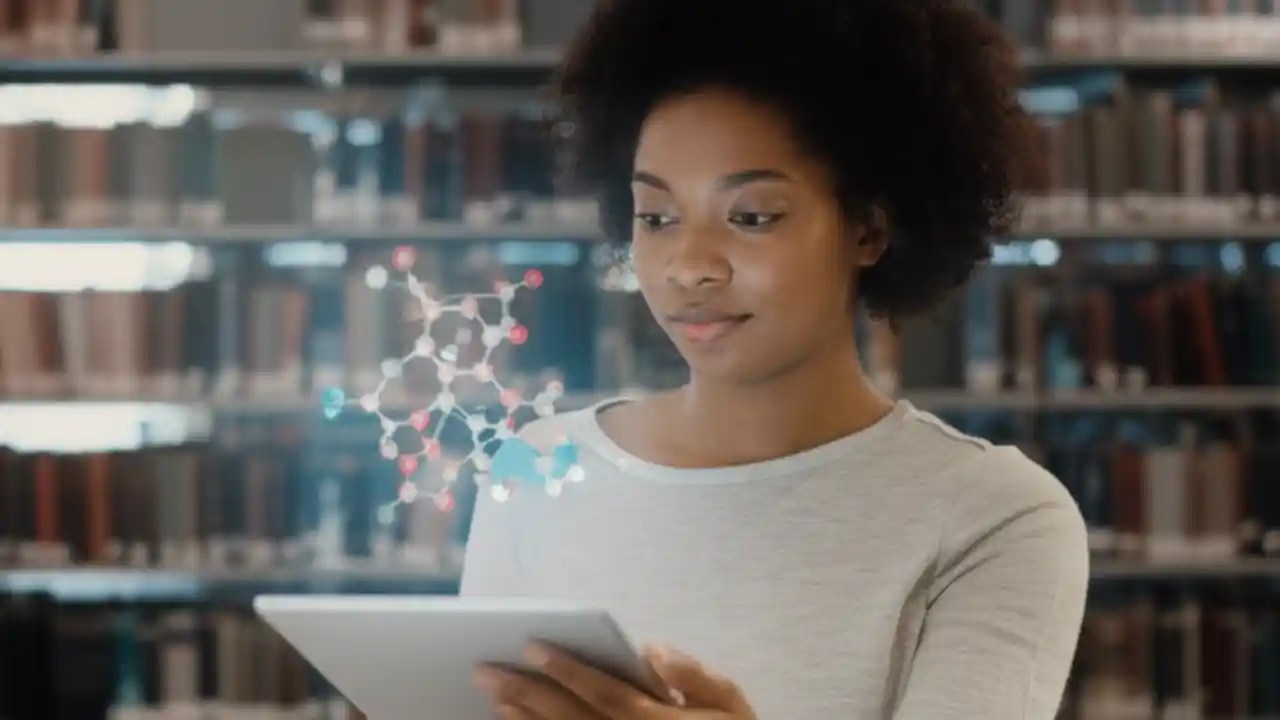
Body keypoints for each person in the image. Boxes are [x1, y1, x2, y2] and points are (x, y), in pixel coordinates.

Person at [462, 0, 1089, 717]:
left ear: (870, 230)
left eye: (752, 217)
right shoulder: (532, 472)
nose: (688, 267)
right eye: (656, 218)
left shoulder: (993, 518)